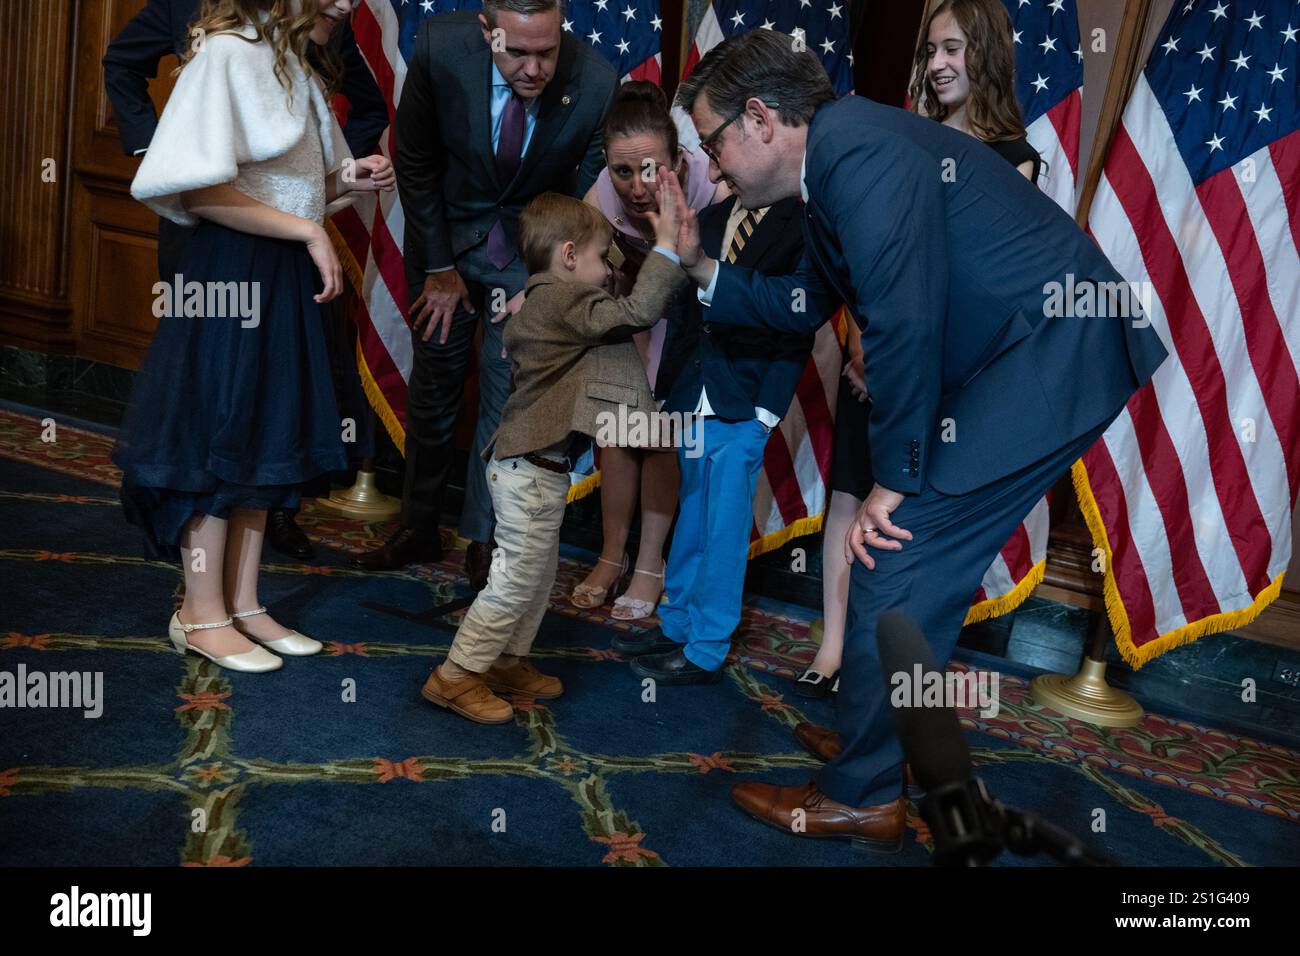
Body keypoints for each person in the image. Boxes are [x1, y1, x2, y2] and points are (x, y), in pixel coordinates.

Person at [672, 29, 1167, 848]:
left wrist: (893, 481)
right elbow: (804, 307)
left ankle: (865, 792)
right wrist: (696, 265)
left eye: (712, 142)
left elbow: (904, 319)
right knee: (903, 570)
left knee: (890, 559)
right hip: (1029, 357)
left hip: (1049, 359)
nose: (712, 167)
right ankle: (880, 744)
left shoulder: (856, 156)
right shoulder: (838, 157)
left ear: (760, 119)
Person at [114, 0, 395, 672]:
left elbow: (298, 183)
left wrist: (348, 176)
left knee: (268, 430)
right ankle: (198, 610)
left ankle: (243, 603)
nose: (341, 5)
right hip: (231, 270)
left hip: (279, 272)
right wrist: (305, 231)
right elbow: (199, 192)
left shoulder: (291, 59)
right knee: (220, 434)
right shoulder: (226, 53)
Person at [796, 0, 1044, 700]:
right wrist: (867, 344)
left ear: (987, 55)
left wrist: (903, 358)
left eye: (954, 49)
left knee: (899, 526)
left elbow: (974, 289)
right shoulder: (905, 141)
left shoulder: (1014, 162)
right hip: (865, 363)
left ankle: (878, 682)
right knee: (848, 498)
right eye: (930, 51)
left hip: (940, 384)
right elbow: (877, 259)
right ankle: (835, 648)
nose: (937, 64)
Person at [356, 0, 617, 590]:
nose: (534, 68)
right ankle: (418, 525)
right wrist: (442, 267)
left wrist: (542, 285)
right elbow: (416, 162)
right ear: (487, 30)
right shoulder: (441, 50)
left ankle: (483, 539)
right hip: (447, 241)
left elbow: (582, 200)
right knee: (434, 388)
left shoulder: (597, 81)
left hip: (527, 257)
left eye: (547, 52)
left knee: (506, 400)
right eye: (517, 52)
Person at [420, 183, 686, 723]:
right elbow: (637, 310)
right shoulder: (563, 300)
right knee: (515, 580)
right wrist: (665, 246)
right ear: (569, 257)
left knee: (537, 579)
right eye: (598, 258)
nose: (606, 270)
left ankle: (508, 660)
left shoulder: (547, 297)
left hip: (536, 470)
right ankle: (456, 675)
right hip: (527, 472)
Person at [612, 185, 821, 683]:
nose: (717, 156)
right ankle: (677, 623)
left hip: (747, 404)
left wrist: (768, 412)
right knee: (692, 518)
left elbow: (798, 323)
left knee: (724, 532)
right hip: (693, 394)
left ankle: (706, 648)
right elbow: (684, 314)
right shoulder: (707, 216)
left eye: (721, 142)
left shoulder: (802, 221)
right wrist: (669, 392)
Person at [568, 81, 725, 619]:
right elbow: (577, 263)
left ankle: (651, 564)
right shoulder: (602, 194)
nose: (637, 186)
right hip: (639, 307)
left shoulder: (713, 184)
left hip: (698, 319)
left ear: (679, 158)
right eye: (623, 171)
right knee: (615, 428)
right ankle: (611, 555)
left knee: (659, 435)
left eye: (652, 169)